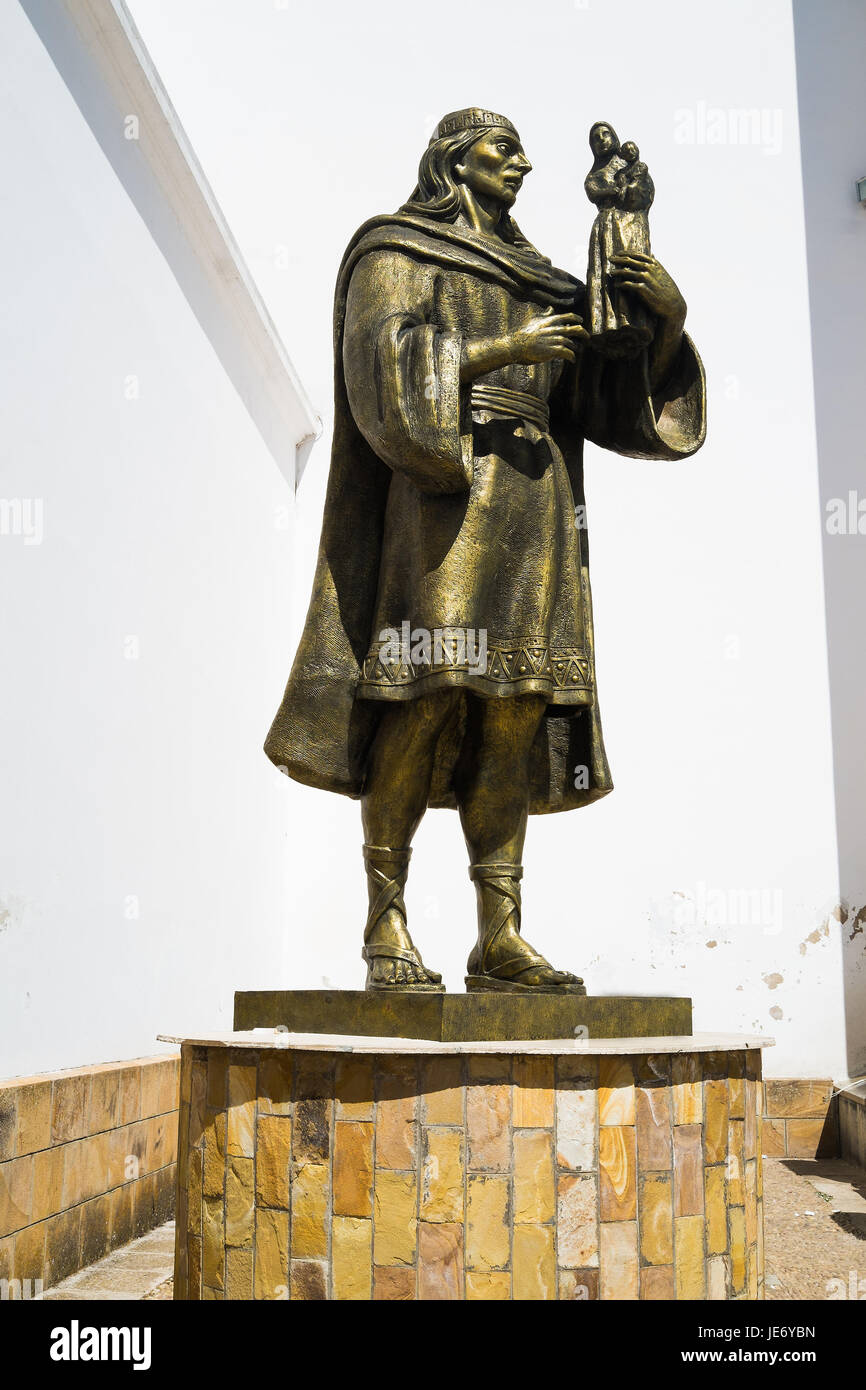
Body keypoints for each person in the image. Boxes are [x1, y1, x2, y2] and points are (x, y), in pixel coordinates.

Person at [265, 107, 706, 994]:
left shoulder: (540, 278)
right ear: (454, 160)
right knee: (425, 698)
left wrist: (661, 320)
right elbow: (379, 365)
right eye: (505, 151)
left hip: (535, 504)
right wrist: (507, 347)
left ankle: (498, 935)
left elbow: (605, 399)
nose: (525, 163)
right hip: (442, 503)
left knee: (514, 711)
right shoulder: (394, 253)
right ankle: (385, 921)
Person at [584, 122, 655, 358]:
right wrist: (622, 184)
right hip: (608, 227)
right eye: (596, 138)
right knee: (607, 274)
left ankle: (636, 320)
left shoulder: (632, 164)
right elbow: (601, 191)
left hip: (633, 225)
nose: (602, 139)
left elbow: (645, 193)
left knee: (632, 272)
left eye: (606, 134)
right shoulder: (594, 176)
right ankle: (610, 325)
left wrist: (634, 179)